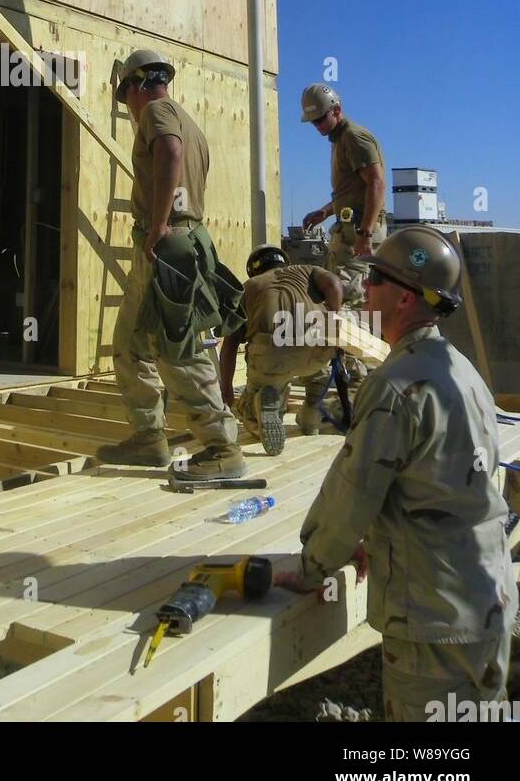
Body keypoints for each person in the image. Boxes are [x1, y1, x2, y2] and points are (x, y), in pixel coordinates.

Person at [276, 227, 518, 722]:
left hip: (435, 626)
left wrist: (312, 567)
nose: (366, 291)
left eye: (377, 281)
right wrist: (381, 533)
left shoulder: (397, 385)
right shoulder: (461, 369)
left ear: (406, 298)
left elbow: (352, 491)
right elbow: (439, 481)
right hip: (486, 602)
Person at [95, 49, 245, 480]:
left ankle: (222, 447)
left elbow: (170, 153)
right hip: (176, 240)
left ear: (136, 87)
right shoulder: (188, 118)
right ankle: (149, 439)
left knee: (179, 348)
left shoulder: (158, 112)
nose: (129, 106)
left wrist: (159, 224)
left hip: (166, 243)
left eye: (126, 96)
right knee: (131, 344)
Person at [219, 245, 345, 453]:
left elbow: (230, 346)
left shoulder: (248, 287)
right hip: (316, 352)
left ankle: (261, 403)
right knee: (319, 377)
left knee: (251, 414)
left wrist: (226, 391)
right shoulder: (307, 270)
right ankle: (311, 417)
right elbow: (334, 283)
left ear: (254, 268)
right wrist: (334, 318)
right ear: (283, 261)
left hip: (273, 357)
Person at [300, 84, 387, 307]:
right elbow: (353, 191)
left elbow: (376, 184)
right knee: (337, 295)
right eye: (313, 122)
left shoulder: (354, 138)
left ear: (337, 111)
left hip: (358, 232)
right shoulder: (340, 139)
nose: (317, 126)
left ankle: (356, 342)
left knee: (350, 300)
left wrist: (365, 232)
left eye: (320, 119)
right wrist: (326, 211)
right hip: (350, 231)